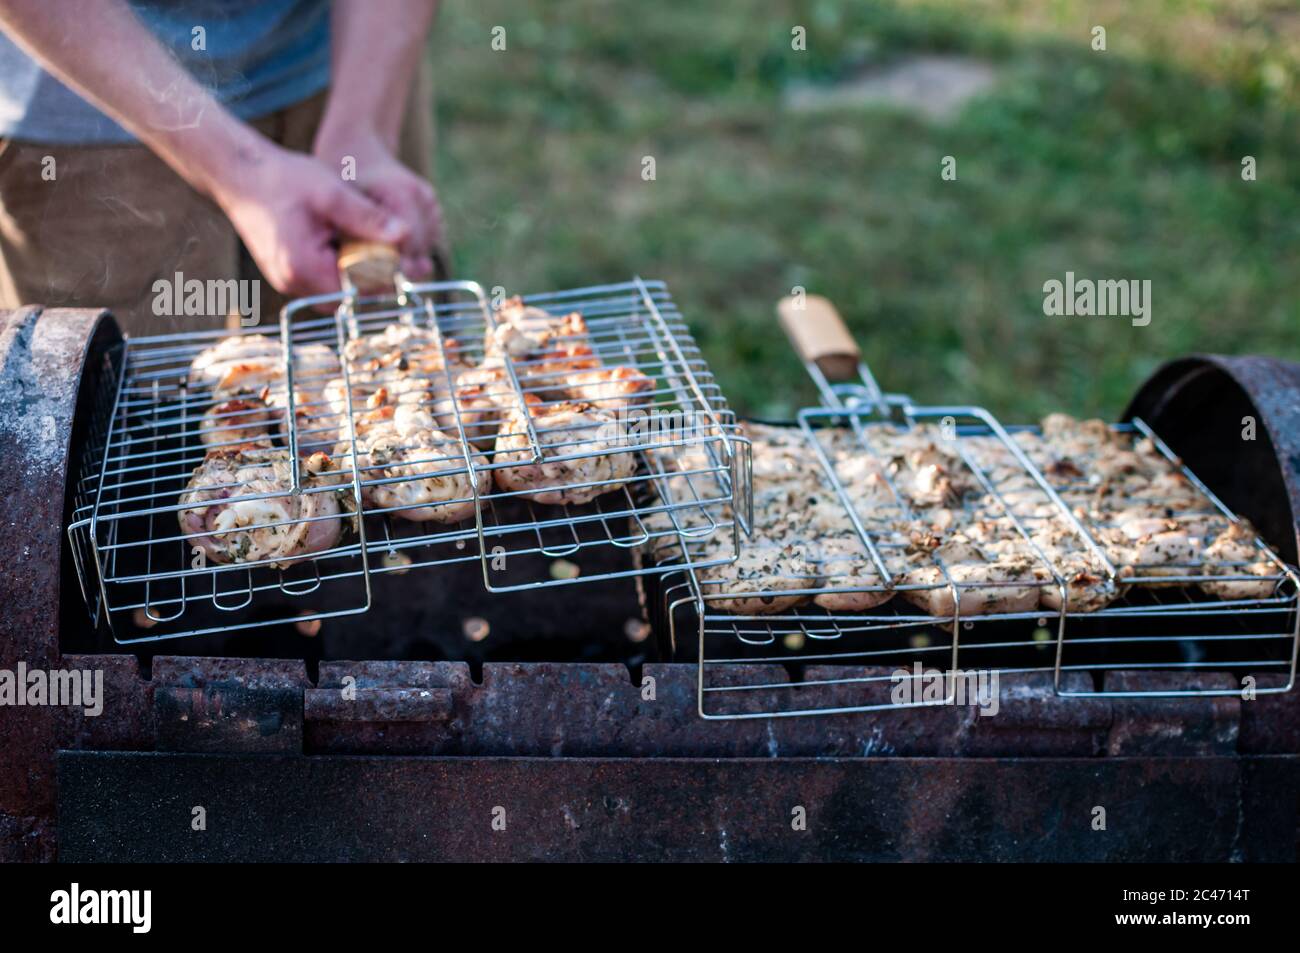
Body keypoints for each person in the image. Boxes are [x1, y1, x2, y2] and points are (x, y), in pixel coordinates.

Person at [0, 0, 444, 334]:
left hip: (348, 51)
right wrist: (241, 175)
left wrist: (363, 130)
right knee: (152, 423)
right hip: (85, 102)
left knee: (392, 368)